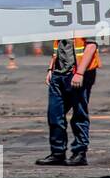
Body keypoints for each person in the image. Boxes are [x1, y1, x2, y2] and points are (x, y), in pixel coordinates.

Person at [36, 37, 99, 166]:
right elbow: (57, 49)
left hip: (79, 73)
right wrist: (50, 69)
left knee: (79, 114)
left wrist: (80, 73)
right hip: (58, 75)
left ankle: (80, 153)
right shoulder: (59, 22)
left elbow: (91, 47)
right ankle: (57, 153)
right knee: (54, 115)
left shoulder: (84, 20)